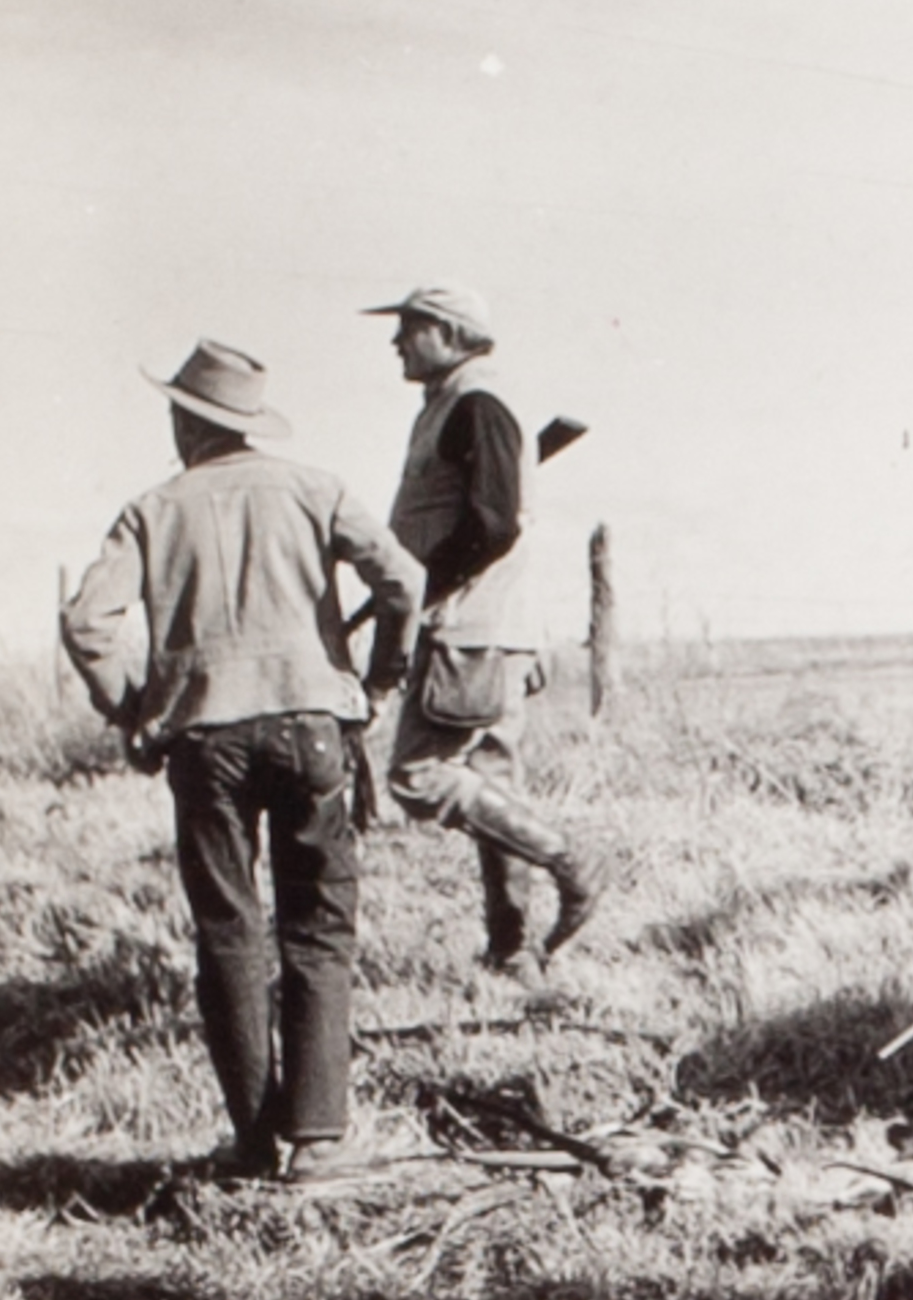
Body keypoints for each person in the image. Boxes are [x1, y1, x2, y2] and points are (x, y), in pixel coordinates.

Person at [60, 340, 420, 1185]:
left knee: (228, 933)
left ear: (187, 418)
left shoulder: (151, 509)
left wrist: (135, 707)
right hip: (313, 728)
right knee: (319, 927)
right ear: (249, 422)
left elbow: (86, 626)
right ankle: (321, 1138)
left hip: (202, 739)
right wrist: (375, 681)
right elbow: (402, 579)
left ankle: (254, 1143)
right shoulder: (312, 486)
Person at [364, 282, 602, 967]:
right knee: (494, 787)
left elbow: (494, 524)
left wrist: (417, 586)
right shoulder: (463, 403)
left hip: (467, 628)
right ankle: (514, 950)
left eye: (408, 328)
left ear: (446, 330)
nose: (396, 342)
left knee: (419, 777)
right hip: (493, 626)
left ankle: (571, 861)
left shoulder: (475, 404)